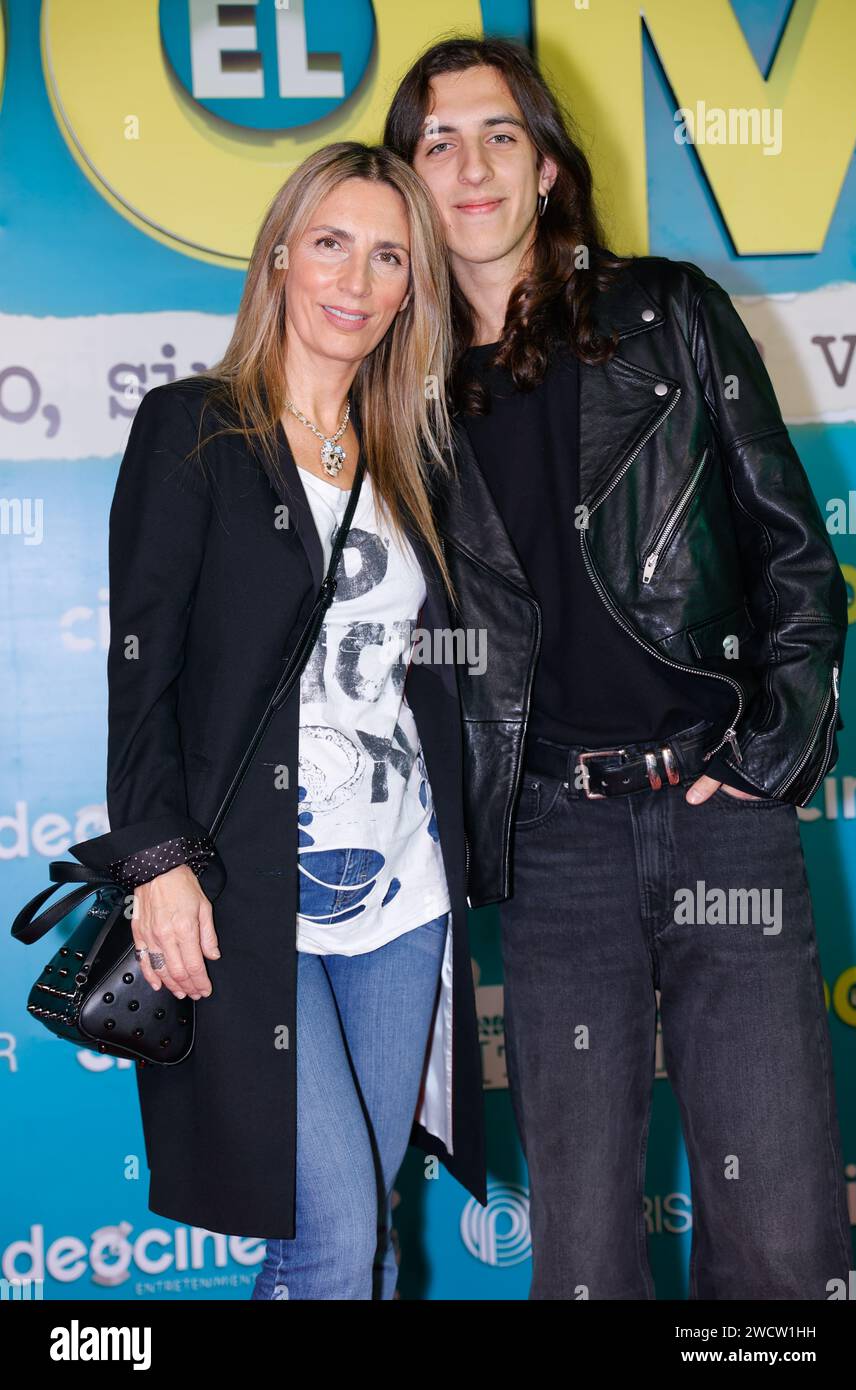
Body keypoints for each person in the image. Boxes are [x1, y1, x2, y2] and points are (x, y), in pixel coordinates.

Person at [384, 37, 853, 1299]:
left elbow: (795, 559)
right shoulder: (392, 392)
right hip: (552, 842)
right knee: (583, 1251)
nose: (468, 164)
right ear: (405, 182)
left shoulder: (668, 314)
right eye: (435, 141)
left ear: (545, 166)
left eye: (495, 134)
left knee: (784, 1240)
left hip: (720, 819)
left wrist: (769, 755)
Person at [71, 142, 498, 1300]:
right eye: (329, 243)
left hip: (399, 895)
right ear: (277, 256)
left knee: (352, 1234)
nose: (355, 280)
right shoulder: (193, 427)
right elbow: (139, 666)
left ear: (412, 287)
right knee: (330, 1225)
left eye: (387, 256)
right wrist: (155, 858)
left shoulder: (416, 459)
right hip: (247, 894)